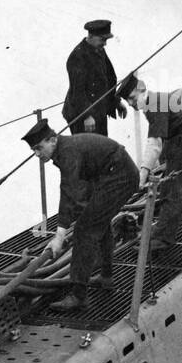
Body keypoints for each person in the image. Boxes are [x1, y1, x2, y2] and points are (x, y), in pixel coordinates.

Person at [24, 118, 139, 313]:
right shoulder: (64, 148)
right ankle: (106, 277)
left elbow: (69, 191)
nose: (36, 154)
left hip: (119, 177)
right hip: (112, 175)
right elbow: (71, 190)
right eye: (33, 150)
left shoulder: (67, 151)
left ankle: (78, 296)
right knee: (97, 223)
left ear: (52, 140)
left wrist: (59, 237)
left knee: (84, 230)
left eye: (38, 147)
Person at [118, 74, 182, 260]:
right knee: (171, 187)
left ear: (142, 90)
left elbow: (154, 143)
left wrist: (142, 173)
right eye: (128, 101)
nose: (131, 104)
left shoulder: (154, 104)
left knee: (175, 190)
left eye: (132, 98)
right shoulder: (156, 99)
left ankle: (163, 239)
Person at [62, 20, 126, 136]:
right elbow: (78, 91)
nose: (105, 44)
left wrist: (115, 101)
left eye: (106, 40)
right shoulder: (77, 57)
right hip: (81, 115)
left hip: (98, 110)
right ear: (91, 36)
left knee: (102, 147)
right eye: (103, 39)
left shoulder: (98, 49)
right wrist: (87, 116)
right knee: (87, 150)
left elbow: (110, 77)